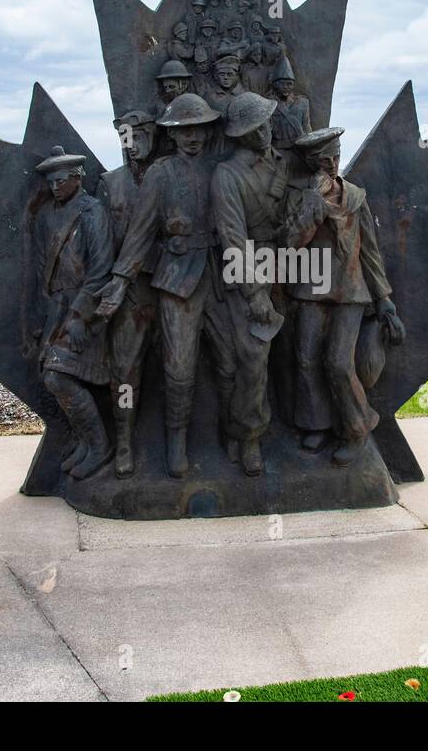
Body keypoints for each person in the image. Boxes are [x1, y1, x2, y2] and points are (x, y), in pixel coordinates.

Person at [96, 94, 236, 479]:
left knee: (230, 363)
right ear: (172, 136)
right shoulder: (161, 173)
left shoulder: (220, 169)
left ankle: (235, 436)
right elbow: (139, 233)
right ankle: (176, 444)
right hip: (177, 280)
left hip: (220, 277)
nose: (193, 137)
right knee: (178, 368)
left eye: (199, 130)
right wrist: (120, 281)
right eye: (184, 131)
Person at [283, 128, 405, 466]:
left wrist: (384, 298)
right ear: (312, 164)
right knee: (306, 360)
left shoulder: (355, 197)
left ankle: (357, 427)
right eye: (323, 160)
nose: (331, 164)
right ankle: (316, 425)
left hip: (351, 293)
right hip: (310, 289)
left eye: (335, 156)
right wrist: (312, 210)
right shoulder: (301, 196)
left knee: (338, 362)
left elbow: (370, 252)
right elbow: (289, 244)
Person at [211, 92, 289, 476]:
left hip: (295, 267)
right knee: (253, 363)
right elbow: (232, 237)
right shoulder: (227, 175)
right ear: (241, 135)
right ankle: (249, 438)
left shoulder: (282, 164)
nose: (264, 133)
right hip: (250, 273)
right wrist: (254, 292)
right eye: (255, 129)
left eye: (267, 125)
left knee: (302, 356)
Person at [31, 148, 114, 481]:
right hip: (58, 308)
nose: (54, 186)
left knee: (58, 377)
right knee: (53, 376)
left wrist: (80, 317)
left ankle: (99, 446)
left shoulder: (92, 213)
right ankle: (84, 442)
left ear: (78, 178)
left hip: (85, 309)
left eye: (61, 180)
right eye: (50, 181)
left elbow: (100, 270)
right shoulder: (48, 214)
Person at [96, 111, 160, 478]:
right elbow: (103, 248)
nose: (132, 143)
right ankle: (124, 441)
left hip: (170, 287)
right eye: (126, 136)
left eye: (139, 135)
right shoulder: (111, 184)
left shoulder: (168, 177)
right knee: (124, 373)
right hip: (129, 294)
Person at [268, 57, 311, 162]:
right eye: (282, 83)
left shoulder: (303, 103)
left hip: (299, 151)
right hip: (278, 152)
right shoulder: (268, 103)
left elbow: (307, 127)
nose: (286, 87)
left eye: (289, 83)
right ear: (275, 84)